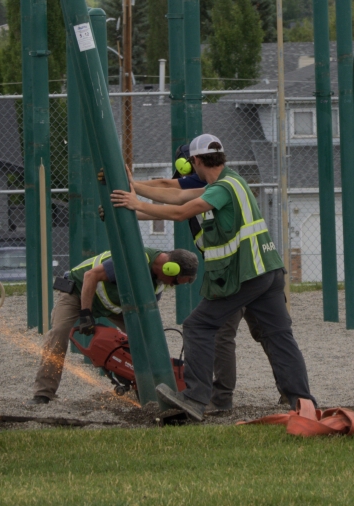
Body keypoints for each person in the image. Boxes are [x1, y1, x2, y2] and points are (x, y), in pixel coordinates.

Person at [111, 133, 315, 421]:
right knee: (279, 336)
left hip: (243, 274)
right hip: (268, 271)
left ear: (194, 161)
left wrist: (137, 204)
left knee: (198, 326)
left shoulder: (221, 188)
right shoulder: (229, 182)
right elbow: (177, 194)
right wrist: (134, 190)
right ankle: (302, 402)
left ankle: (195, 398)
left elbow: (181, 211)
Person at [129, 143, 270, 413]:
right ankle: (294, 395)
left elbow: (171, 194)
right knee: (268, 333)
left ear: (195, 162)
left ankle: (214, 399)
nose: (181, 176)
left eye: (187, 167)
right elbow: (169, 197)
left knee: (220, 333)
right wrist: (130, 207)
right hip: (246, 269)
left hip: (237, 271)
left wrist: (133, 190)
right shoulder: (216, 182)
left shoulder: (209, 185)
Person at [31, 247, 199, 405]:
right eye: (176, 282)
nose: (171, 286)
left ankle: (148, 388)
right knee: (59, 333)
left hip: (113, 306)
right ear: (170, 268)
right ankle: (43, 393)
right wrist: (85, 314)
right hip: (77, 291)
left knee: (146, 339)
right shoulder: (134, 258)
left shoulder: (157, 283)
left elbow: (145, 317)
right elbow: (90, 276)